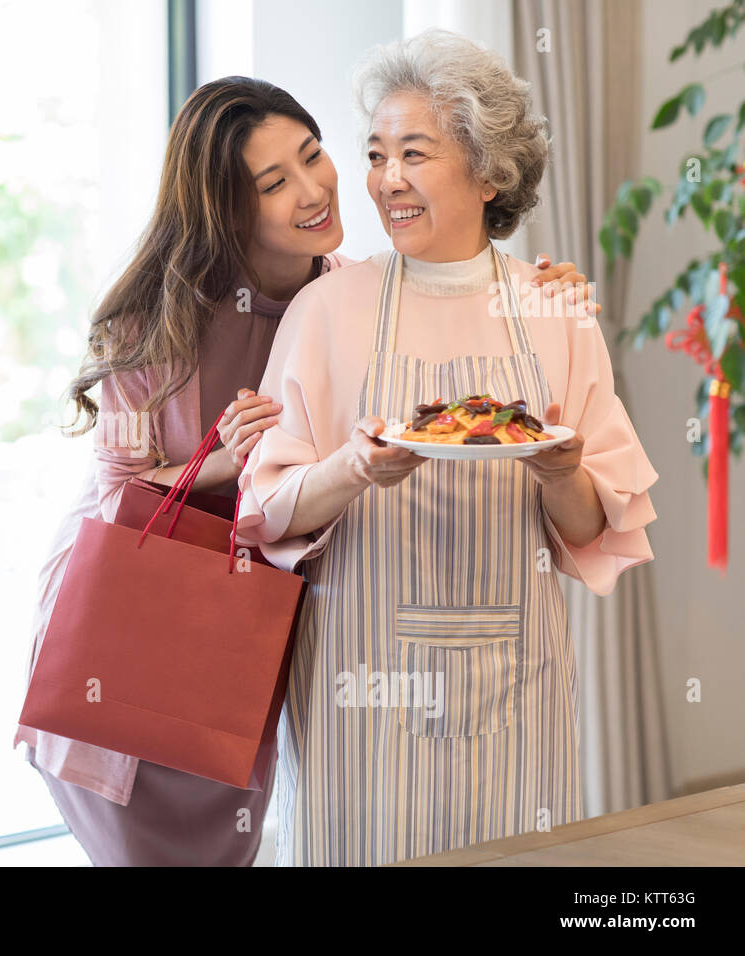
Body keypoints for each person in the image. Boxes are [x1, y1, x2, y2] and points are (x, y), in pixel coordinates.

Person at [15, 75, 594, 866]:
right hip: (134, 613)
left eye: (315, 156)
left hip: (244, 625)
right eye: (274, 182)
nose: (314, 189)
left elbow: (451, 291)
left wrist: (543, 290)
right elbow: (114, 492)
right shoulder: (146, 321)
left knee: (233, 841)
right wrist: (218, 463)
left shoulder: (341, 296)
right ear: (227, 206)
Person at [236, 29, 658, 866]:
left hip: (515, 681)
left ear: (490, 171)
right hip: (360, 686)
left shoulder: (556, 309)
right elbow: (265, 510)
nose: (385, 179)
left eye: (415, 154)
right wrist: (355, 466)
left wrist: (564, 473)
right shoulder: (325, 311)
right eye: (376, 153)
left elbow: (586, 529)